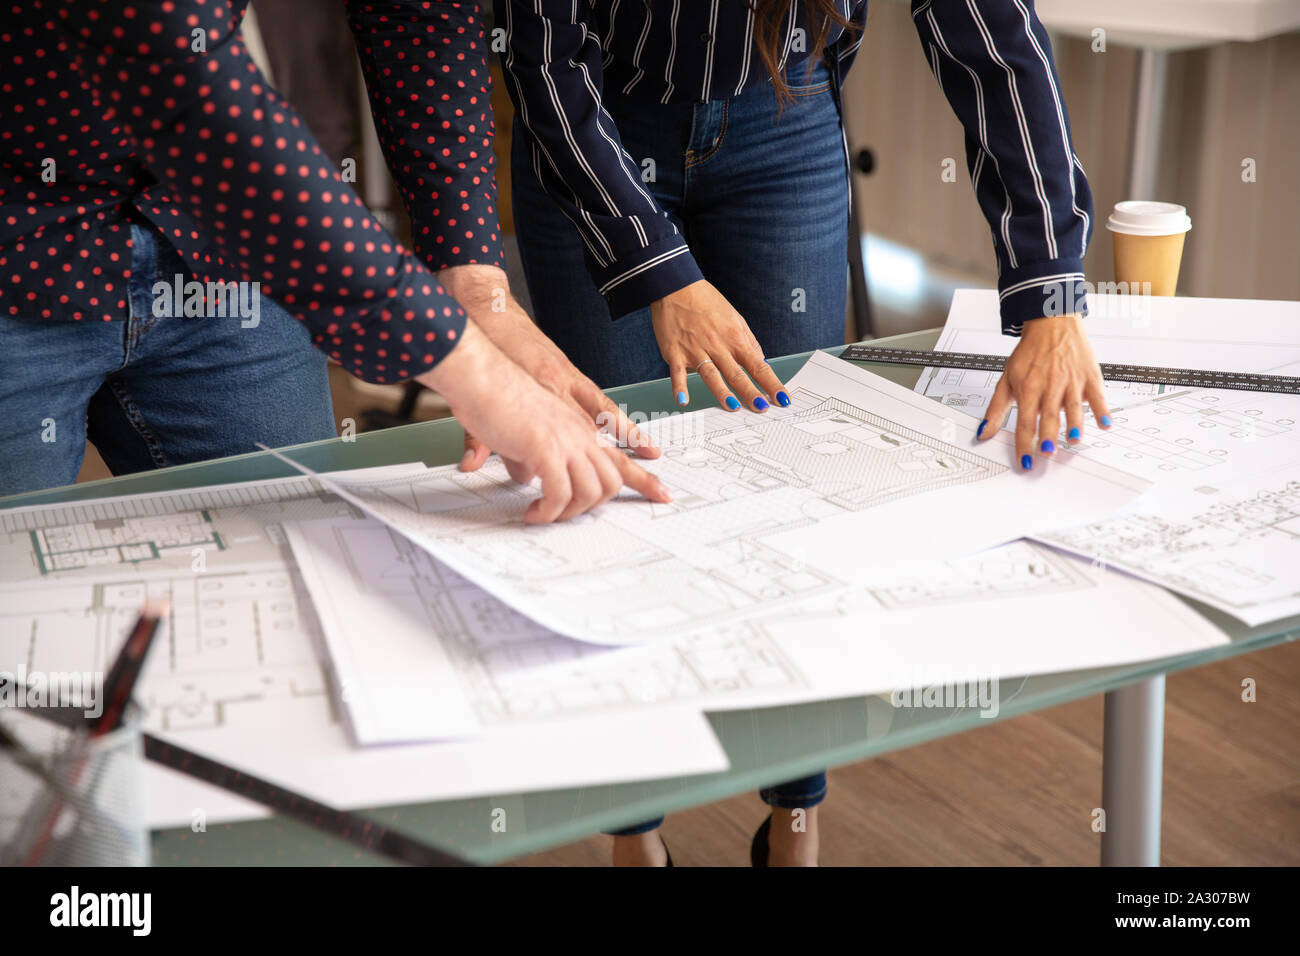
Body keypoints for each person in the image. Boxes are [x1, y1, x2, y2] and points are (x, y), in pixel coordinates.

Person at [496, 0, 1115, 865]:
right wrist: (656, 268)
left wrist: (1050, 284)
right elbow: (540, 57)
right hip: (596, 118)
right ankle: (634, 839)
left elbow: (995, 42)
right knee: (613, 496)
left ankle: (795, 830)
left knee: (807, 490)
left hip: (782, 119)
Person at [0, 0, 668, 523]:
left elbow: (419, 17)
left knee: (305, 550)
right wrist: (474, 371)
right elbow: (182, 80)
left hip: (206, 236)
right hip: (19, 234)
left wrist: (473, 282)